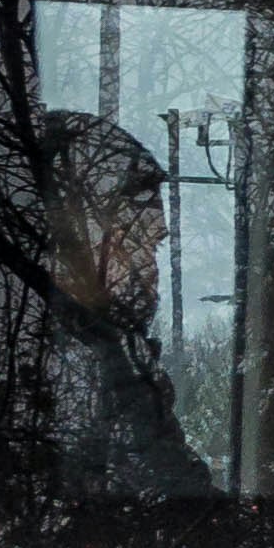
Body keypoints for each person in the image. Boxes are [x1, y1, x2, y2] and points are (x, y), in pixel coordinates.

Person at [30, 109, 217, 501]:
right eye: (141, 242)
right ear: (84, 239)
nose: (153, 264)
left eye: (154, 245)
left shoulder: (116, 349)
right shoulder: (55, 366)